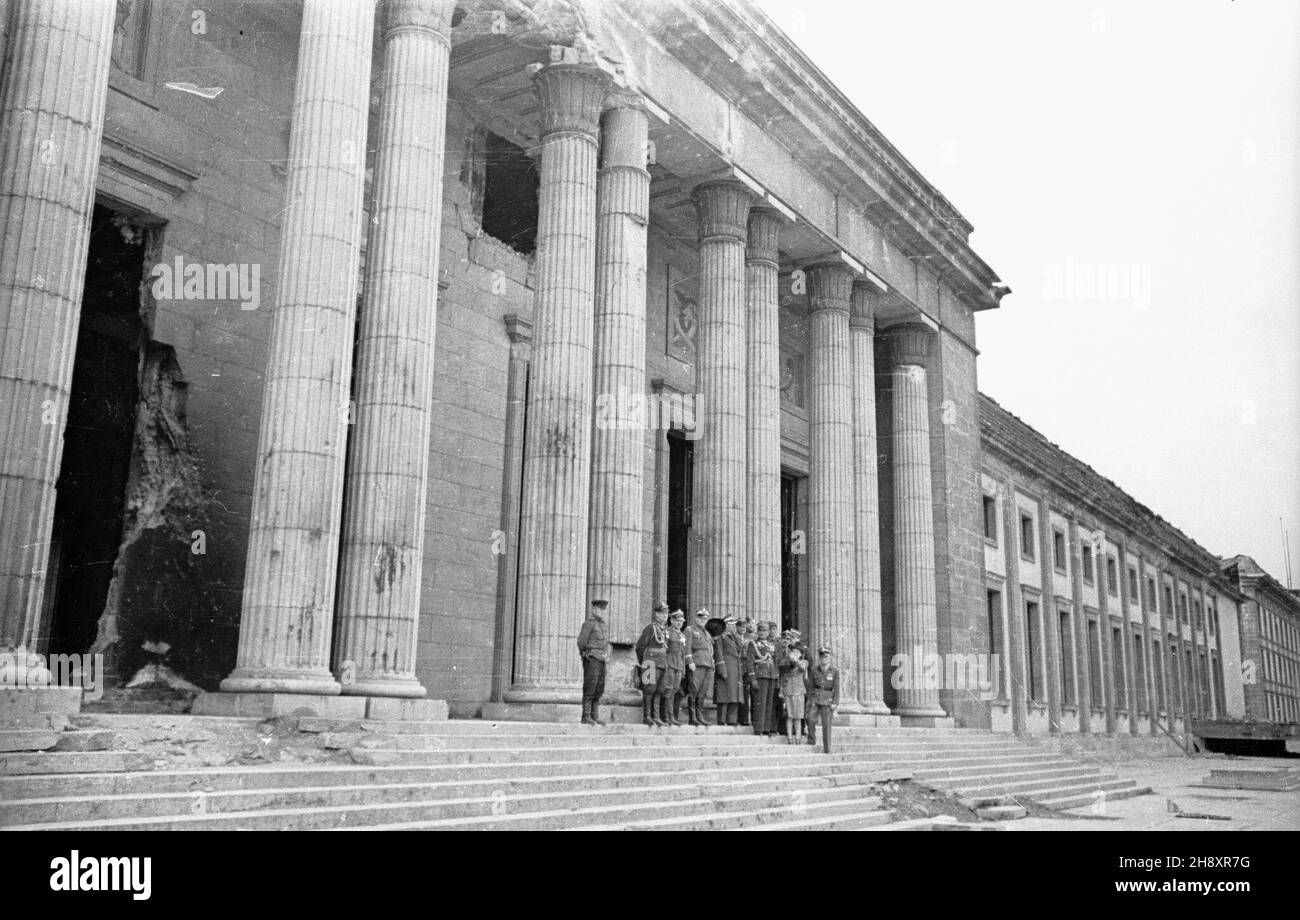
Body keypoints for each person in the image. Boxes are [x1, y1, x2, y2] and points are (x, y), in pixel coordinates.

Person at [576, 599, 610, 725]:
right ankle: (585, 716)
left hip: (602, 658)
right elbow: (581, 642)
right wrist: (585, 654)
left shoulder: (603, 625)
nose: (601, 612)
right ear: (593, 610)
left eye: (603, 610)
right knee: (590, 686)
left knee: (599, 687)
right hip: (592, 658)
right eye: (599, 609)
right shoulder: (588, 624)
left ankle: (595, 715)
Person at [635, 602, 670, 726]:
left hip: (662, 663)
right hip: (650, 662)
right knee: (649, 689)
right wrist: (642, 662)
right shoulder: (651, 628)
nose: (665, 616)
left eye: (666, 613)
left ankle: (656, 717)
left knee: (659, 690)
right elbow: (640, 646)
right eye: (662, 613)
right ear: (656, 614)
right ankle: (647, 716)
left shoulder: (665, 630)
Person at [746, 621, 780, 735]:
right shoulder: (753, 644)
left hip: (771, 675)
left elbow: (775, 661)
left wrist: (776, 677)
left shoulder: (772, 645)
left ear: (769, 632)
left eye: (764, 630)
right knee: (760, 702)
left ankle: (767, 728)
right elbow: (750, 662)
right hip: (760, 675)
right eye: (760, 630)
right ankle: (759, 728)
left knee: (769, 703)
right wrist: (752, 678)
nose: (762, 633)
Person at [806, 646, 841, 753]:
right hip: (816, 697)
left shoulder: (834, 671)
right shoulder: (814, 670)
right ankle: (811, 740)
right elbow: (811, 686)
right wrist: (810, 700)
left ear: (829, 657)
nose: (823, 659)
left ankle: (827, 748)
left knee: (826, 724)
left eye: (825, 656)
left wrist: (835, 702)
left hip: (827, 699)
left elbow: (837, 688)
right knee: (810, 719)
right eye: (821, 656)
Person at [684, 608, 714, 726]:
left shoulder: (707, 633)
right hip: (696, 664)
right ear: (696, 618)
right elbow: (687, 647)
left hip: (707, 664)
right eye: (700, 618)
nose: (702, 620)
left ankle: (699, 716)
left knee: (703, 692)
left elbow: (710, 649)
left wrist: (712, 663)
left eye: (705, 618)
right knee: (694, 690)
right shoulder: (690, 630)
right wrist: (689, 661)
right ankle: (693, 717)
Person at [712, 615, 744, 726]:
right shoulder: (721, 638)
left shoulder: (735, 638)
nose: (733, 626)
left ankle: (732, 719)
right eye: (731, 624)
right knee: (724, 695)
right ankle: (721, 719)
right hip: (727, 668)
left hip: (736, 669)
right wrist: (722, 669)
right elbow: (719, 654)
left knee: (735, 695)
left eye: (734, 624)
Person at [662, 609, 687, 726]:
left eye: (681, 621)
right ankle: (666, 716)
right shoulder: (667, 632)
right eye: (677, 621)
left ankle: (671, 716)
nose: (679, 623)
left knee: (675, 690)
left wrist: (683, 669)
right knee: (668, 689)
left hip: (678, 665)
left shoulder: (682, 635)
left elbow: (683, 653)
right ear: (671, 620)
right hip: (669, 663)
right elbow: (664, 650)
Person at [779, 645, 808, 744]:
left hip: (799, 692)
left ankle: (798, 738)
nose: (794, 653)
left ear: (800, 654)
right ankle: (790, 738)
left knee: (798, 716)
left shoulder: (803, 662)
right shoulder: (788, 663)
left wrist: (796, 660)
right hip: (788, 691)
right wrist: (781, 690)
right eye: (793, 651)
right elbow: (783, 676)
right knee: (789, 716)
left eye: (797, 652)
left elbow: (802, 668)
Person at [737, 618, 754, 726]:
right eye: (741, 627)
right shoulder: (736, 637)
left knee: (747, 694)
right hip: (738, 669)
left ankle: (746, 719)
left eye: (744, 627)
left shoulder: (750, 639)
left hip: (747, 670)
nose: (743, 629)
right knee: (740, 694)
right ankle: (741, 719)